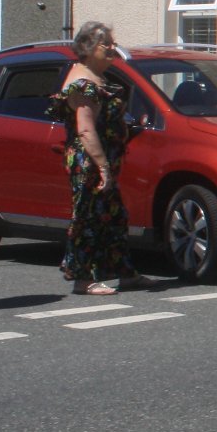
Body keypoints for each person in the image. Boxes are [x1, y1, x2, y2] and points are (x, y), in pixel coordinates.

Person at [46, 22, 154, 294]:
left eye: (112, 42)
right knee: (87, 217)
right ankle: (83, 278)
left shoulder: (98, 78)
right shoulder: (83, 83)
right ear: (88, 47)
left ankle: (125, 273)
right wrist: (103, 166)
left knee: (114, 216)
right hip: (89, 162)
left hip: (103, 159)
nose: (112, 48)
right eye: (106, 43)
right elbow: (85, 129)